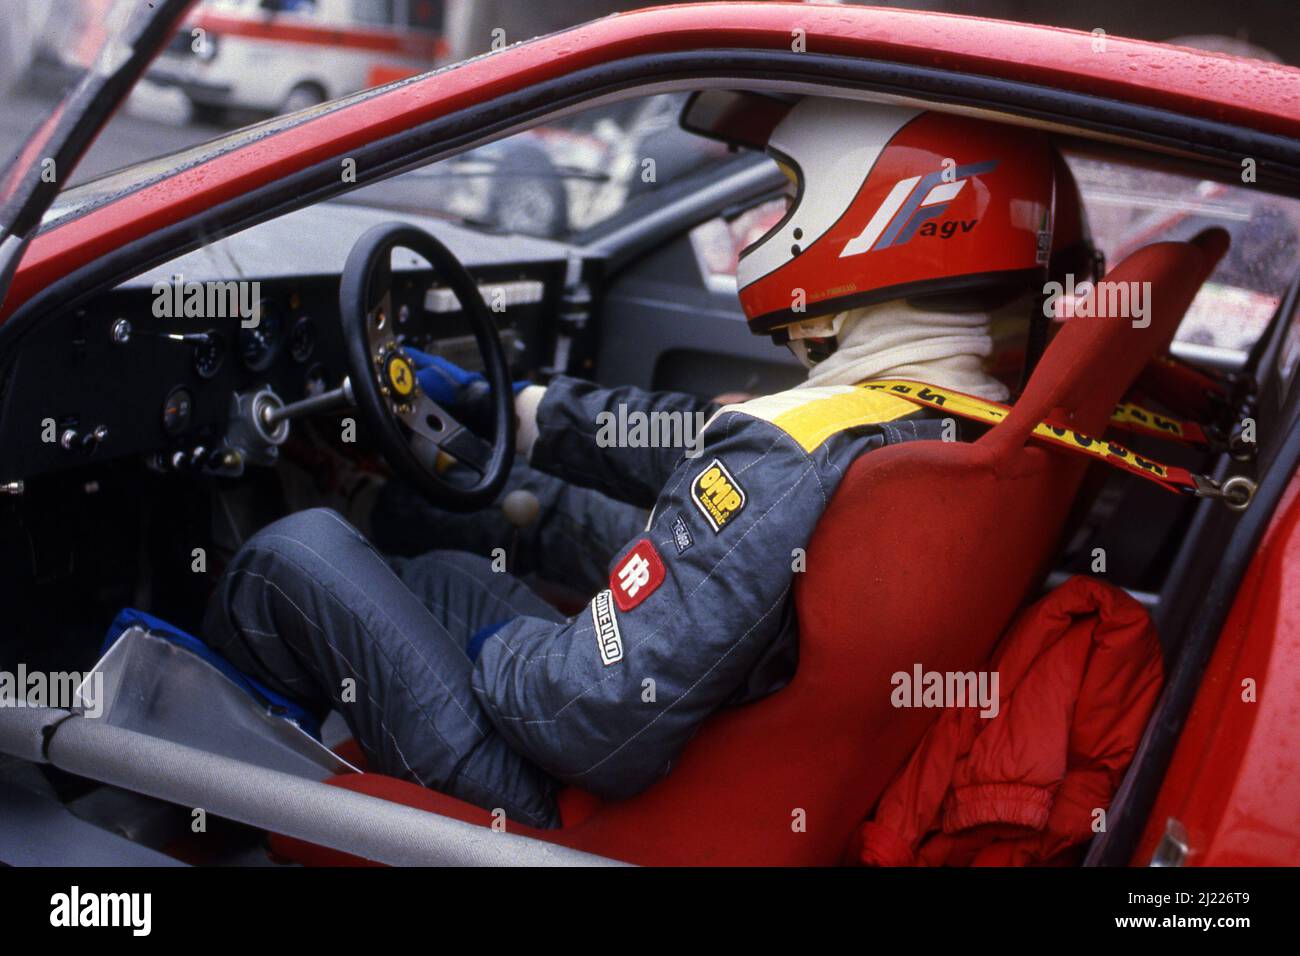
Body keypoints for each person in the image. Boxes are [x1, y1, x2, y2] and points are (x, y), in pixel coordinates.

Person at [204, 98, 1098, 828]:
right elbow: (700, 444)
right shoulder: (957, 421)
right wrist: (507, 403)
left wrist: (496, 647)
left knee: (296, 551)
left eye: (791, 203)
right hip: (746, 793)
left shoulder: (795, 450)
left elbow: (582, 723)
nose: (777, 227)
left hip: (568, 819)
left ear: (870, 220)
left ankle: (221, 812)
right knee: (441, 573)